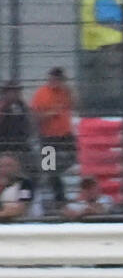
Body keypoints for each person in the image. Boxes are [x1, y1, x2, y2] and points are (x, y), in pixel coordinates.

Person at [30, 67, 76, 206]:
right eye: (54, 79)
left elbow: (75, 104)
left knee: (70, 159)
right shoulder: (41, 93)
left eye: (59, 79)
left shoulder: (65, 92)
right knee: (49, 168)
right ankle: (59, 199)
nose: (56, 82)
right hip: (48, 137)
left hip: (65, 136)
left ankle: (57, 176)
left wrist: (69, 91)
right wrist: (49, 114)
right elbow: (35, 116)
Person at [0, 80, 31, 164]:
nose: (16, 94)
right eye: (12, 91)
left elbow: (27, 122)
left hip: (20, 143)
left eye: (17, 91)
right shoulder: (3, 105)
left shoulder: (21, 105)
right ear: (6, 93)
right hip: (4, 144)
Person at [0, 153, 36, 221]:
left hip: (19, 224)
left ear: (17, 167)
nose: (4, 169)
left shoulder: (25, 184)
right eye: (1, 166)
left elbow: (21, 208)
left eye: (8, 165)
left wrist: (5, 212)